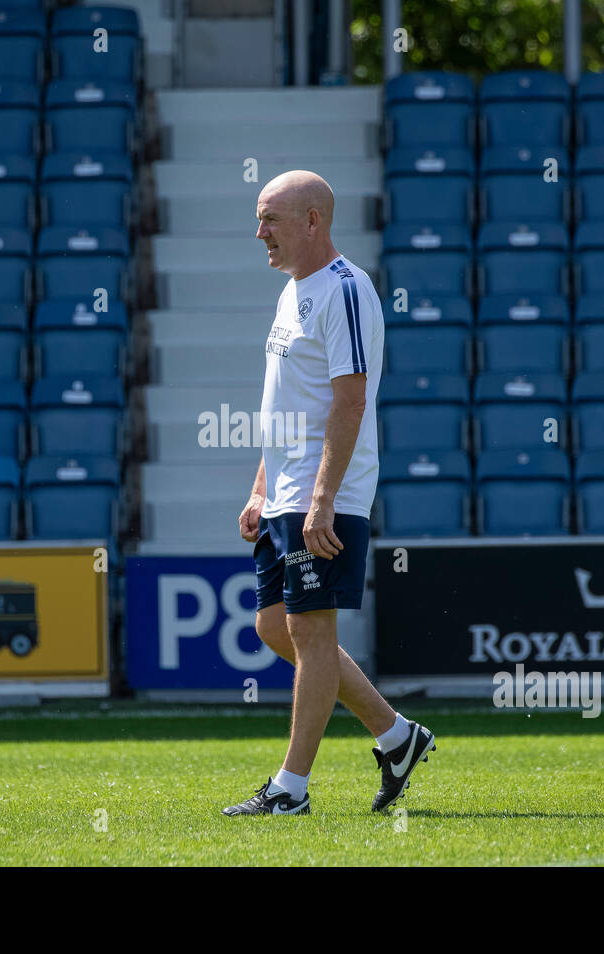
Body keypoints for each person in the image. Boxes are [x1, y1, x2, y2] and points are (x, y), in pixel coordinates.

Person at [221, 170, 436, 817]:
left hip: (326, 496)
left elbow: (349, 403)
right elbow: (286, 406)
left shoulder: (346, 290)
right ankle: (398, 738)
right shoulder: (293, 292)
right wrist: (261, 487)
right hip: (285, 493)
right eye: (259, 220)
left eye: (271, 220)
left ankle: (290, 789)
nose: (260, 233)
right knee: (271, 627)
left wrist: (322, 500)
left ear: (313, 220)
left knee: (311, 633)